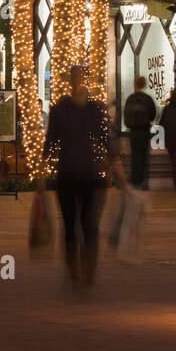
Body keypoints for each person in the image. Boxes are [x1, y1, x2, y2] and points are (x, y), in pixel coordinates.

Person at [39, 64, 126, 291]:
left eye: (80, 77)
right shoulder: (60, 109)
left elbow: (108, 141)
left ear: (86, 80)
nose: (77, 81)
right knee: (69, 225)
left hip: (91, 176)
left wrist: (118, 171)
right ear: (69, 81)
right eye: (73, 77)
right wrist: (42, 171)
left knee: (89, 225)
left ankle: (89, 268)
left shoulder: (96, 110)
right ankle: (73, 267)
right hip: (67, 175)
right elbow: (51, 141)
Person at [123, 75, 158, 188]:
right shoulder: (147, 99)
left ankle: (135, 179)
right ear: (144, 85)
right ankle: (144, 181)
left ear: (135, 84)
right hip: (144, 131)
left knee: (135, 156)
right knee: (143, 157)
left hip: (133, 131)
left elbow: (126, 116)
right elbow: (153, 115)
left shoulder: (130, 99)